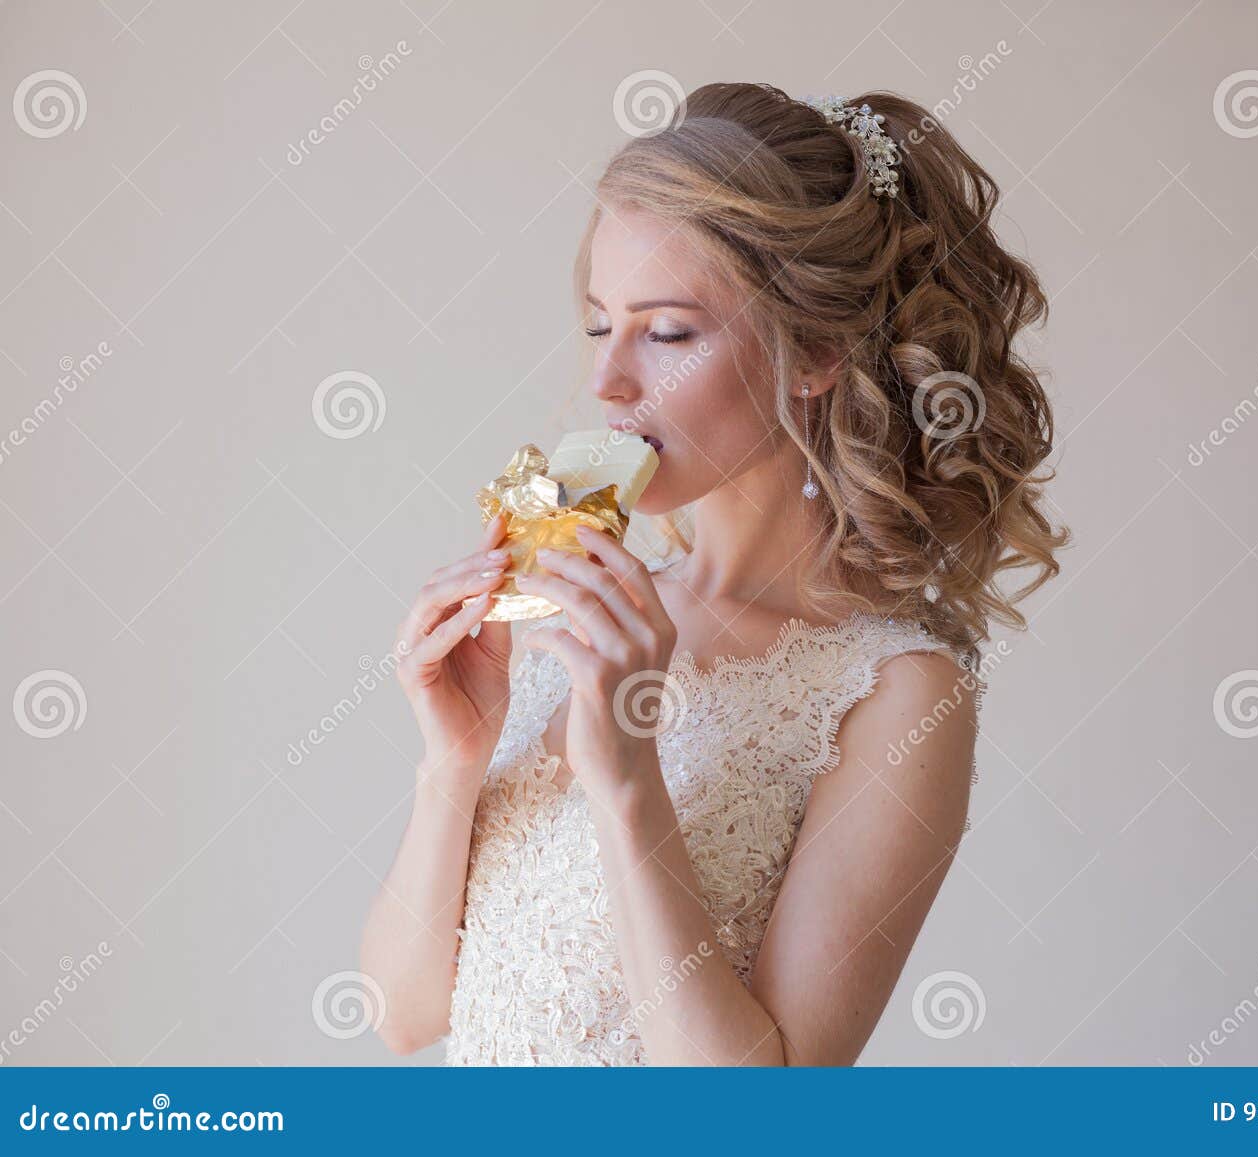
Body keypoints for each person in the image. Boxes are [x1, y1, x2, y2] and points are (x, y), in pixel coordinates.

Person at [359, 81, 1069, 1065]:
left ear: (815, 350)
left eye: (671, 331)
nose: (607, 381)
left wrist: (628, 783)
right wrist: (453, 761)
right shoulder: (586, 608)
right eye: (603, 322)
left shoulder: (899, 693)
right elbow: (402, 1015)